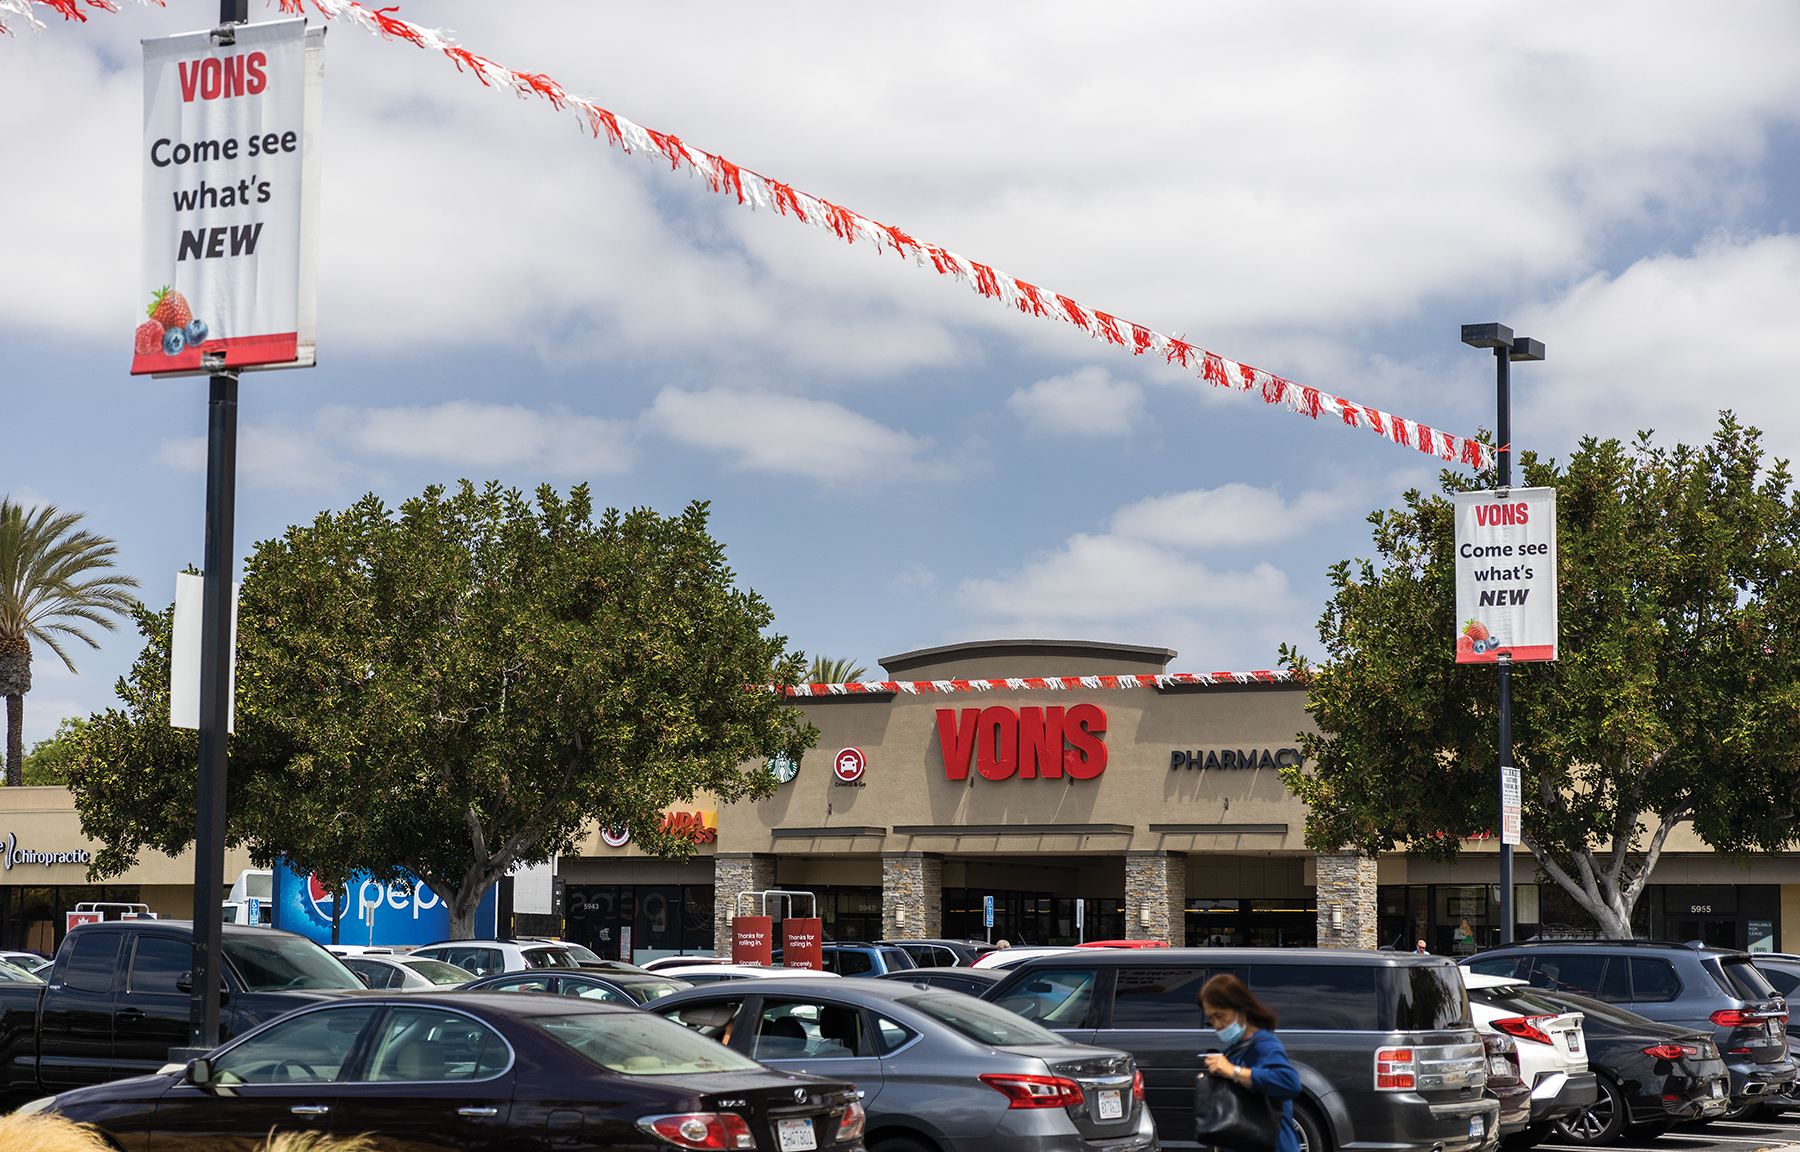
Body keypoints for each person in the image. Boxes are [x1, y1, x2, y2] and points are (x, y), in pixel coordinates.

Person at [1198, 973, 1302, 1152]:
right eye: (1211, 1019)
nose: (1217, 1024)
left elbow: (1290, 1083)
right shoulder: (1233, 1051)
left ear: (1241, 1010)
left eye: (1220, 1016)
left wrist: (1234, 1072)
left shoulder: (1265, 1046)